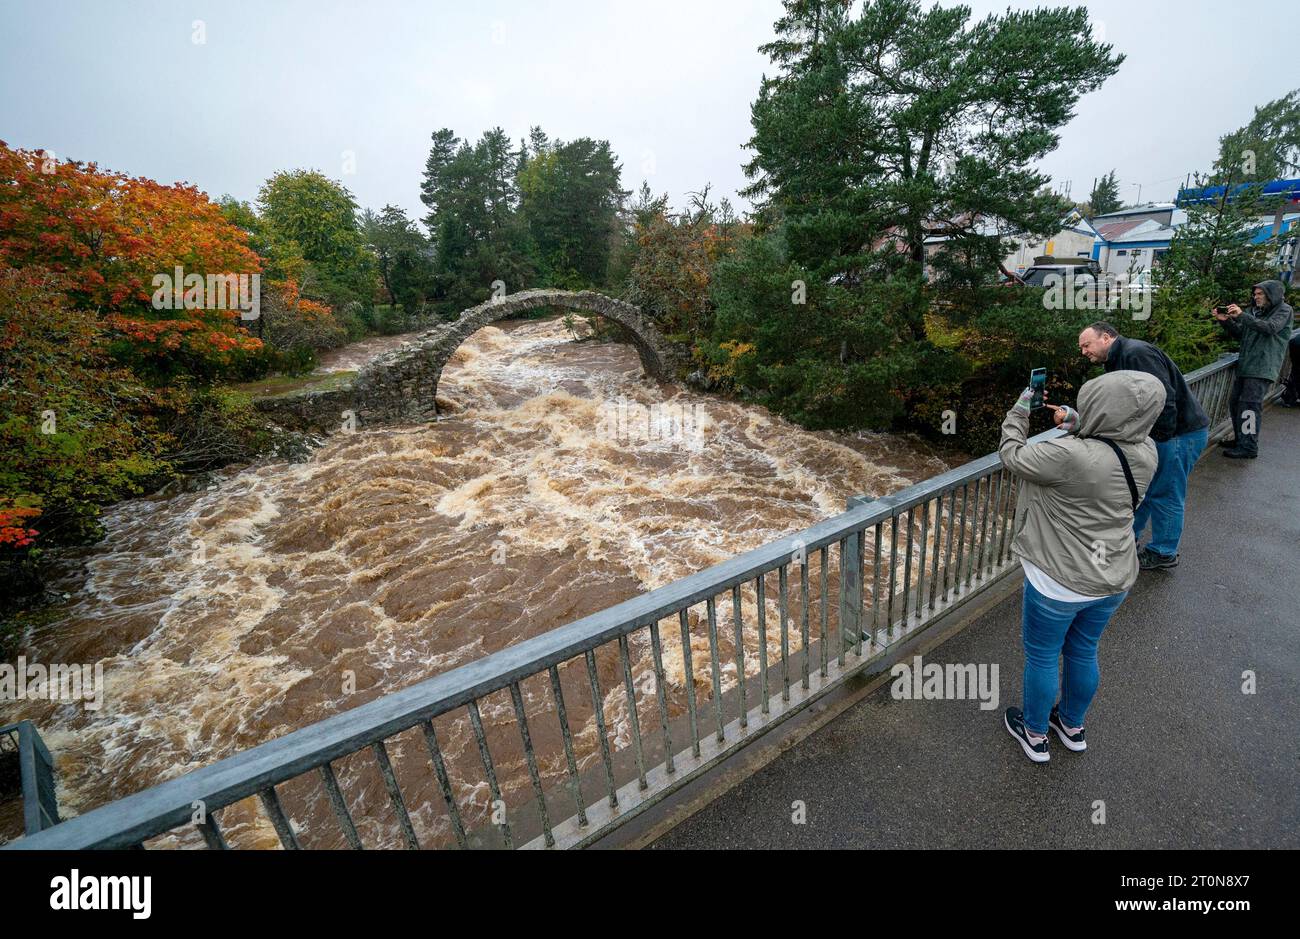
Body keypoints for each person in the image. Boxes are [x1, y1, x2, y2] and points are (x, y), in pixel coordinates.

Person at [998, 370, 1165, 763]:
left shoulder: (1067, 456)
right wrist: (1076, 421)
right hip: (1114, 577)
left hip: (1060, 581)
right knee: (1084, 650)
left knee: (1042, 656)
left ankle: (1035, 734)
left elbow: (1012, 454)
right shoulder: (1148, 451)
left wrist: (1019, 412)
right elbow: (1111, 440)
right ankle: (1071, 726)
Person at [1077, 322, 1210, 571]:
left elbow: (1164, 399)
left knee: (1166, 492)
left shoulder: (1136, 354)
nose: (1083, 352)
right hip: (1169, 434)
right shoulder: (1120, 357)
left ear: (1106, 337)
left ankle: (1163, 552)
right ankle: (1128, 543)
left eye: (1086, 345)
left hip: (1178, 435)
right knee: (1144, 491)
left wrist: (1159, 439)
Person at [1212, 280, 1295, 458]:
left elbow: (1270, 328)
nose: (1256, 297)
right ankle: (1241, 438)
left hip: (1263, 367)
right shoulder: (1256, 312)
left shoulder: (1284, 310)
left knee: (1249, 407)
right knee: (1236, 404)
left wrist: (1242, 316)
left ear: (1271, 295)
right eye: (1255, 294)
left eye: (1260, 294)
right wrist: (1225, 322)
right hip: (1247, 366)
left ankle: (1248, 447)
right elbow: (1242, 334)